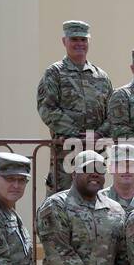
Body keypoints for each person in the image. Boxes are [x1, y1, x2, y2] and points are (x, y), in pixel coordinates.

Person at [37, 20, 111, 194]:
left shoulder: (101, 77)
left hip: (96, 153)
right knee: (61, 201)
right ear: (64, 42)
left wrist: (98, 134)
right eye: (74, 39)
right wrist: (76, 135)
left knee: (94, 198)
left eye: (83, 40)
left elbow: (112, 114)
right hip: (67, 153)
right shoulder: (54, 73)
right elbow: (47, 108)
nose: (79, 44)